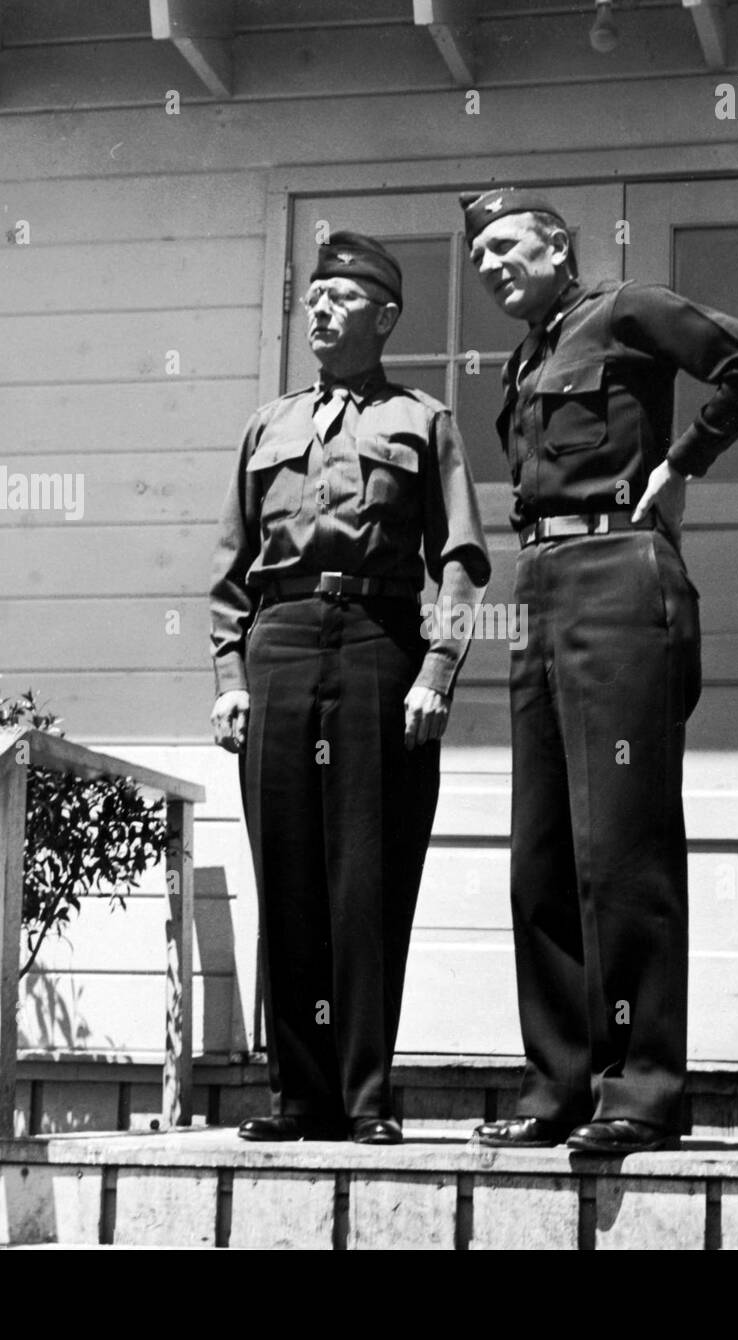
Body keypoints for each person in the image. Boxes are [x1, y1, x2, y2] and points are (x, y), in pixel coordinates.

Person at [460, 188, 738, 1153]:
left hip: (619, 569)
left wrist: (684, 460)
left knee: (622, 849)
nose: (489, 265)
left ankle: (641, 1091)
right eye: (477, 254)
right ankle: (557, 1087)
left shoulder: (623, 310)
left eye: (506, 245)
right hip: (542, 581)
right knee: (543, 858)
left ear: (558, 245)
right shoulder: (531, 354)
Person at [209, 231, 490, 1144]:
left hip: (379, 644)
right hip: (281, 646)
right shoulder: (268, 424)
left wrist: (439, 669)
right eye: (313, 296)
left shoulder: (422, 420)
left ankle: (366, 1097)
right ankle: (300, 1097)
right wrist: (229, 675)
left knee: (368, 878)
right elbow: (230, 569)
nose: (319, 310)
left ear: (386, 316)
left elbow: (461, 561)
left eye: (340, 297)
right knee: (287, 870)